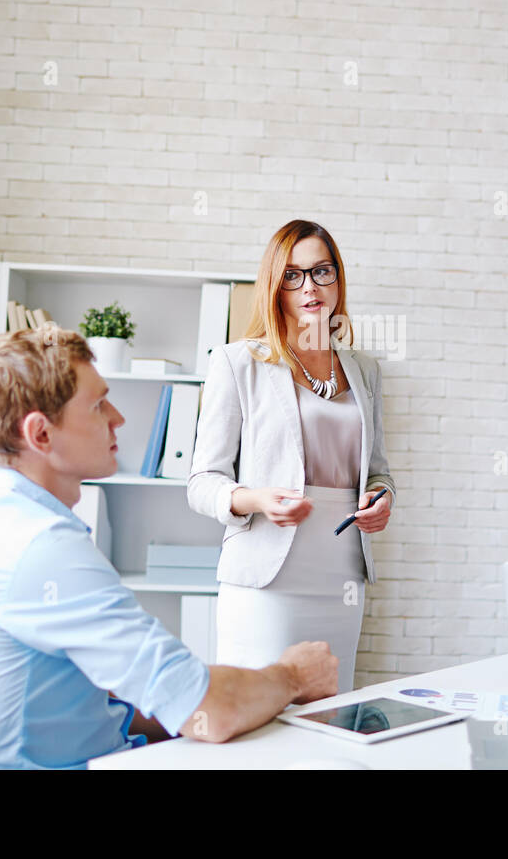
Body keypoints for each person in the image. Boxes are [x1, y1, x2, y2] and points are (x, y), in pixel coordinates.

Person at [0, 327, 337, 769]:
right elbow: (212, 714)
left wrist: (202, 698)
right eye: (98, 404)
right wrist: (293, 676)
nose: (118, 417)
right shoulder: (40, 548)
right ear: (41, 434)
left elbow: (122, 703)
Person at [188, 220, 395, 694]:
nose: (310, 287)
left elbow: (378, 469)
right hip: (266, 578)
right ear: (274, 286)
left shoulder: (364, 370)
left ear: (338, 278)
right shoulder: (238, 362)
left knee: (333, 711)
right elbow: (202, 482)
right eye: (293, 275)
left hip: (343, 576)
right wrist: (256, 499)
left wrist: (383, 497)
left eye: (322, 272)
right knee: (261, 715)